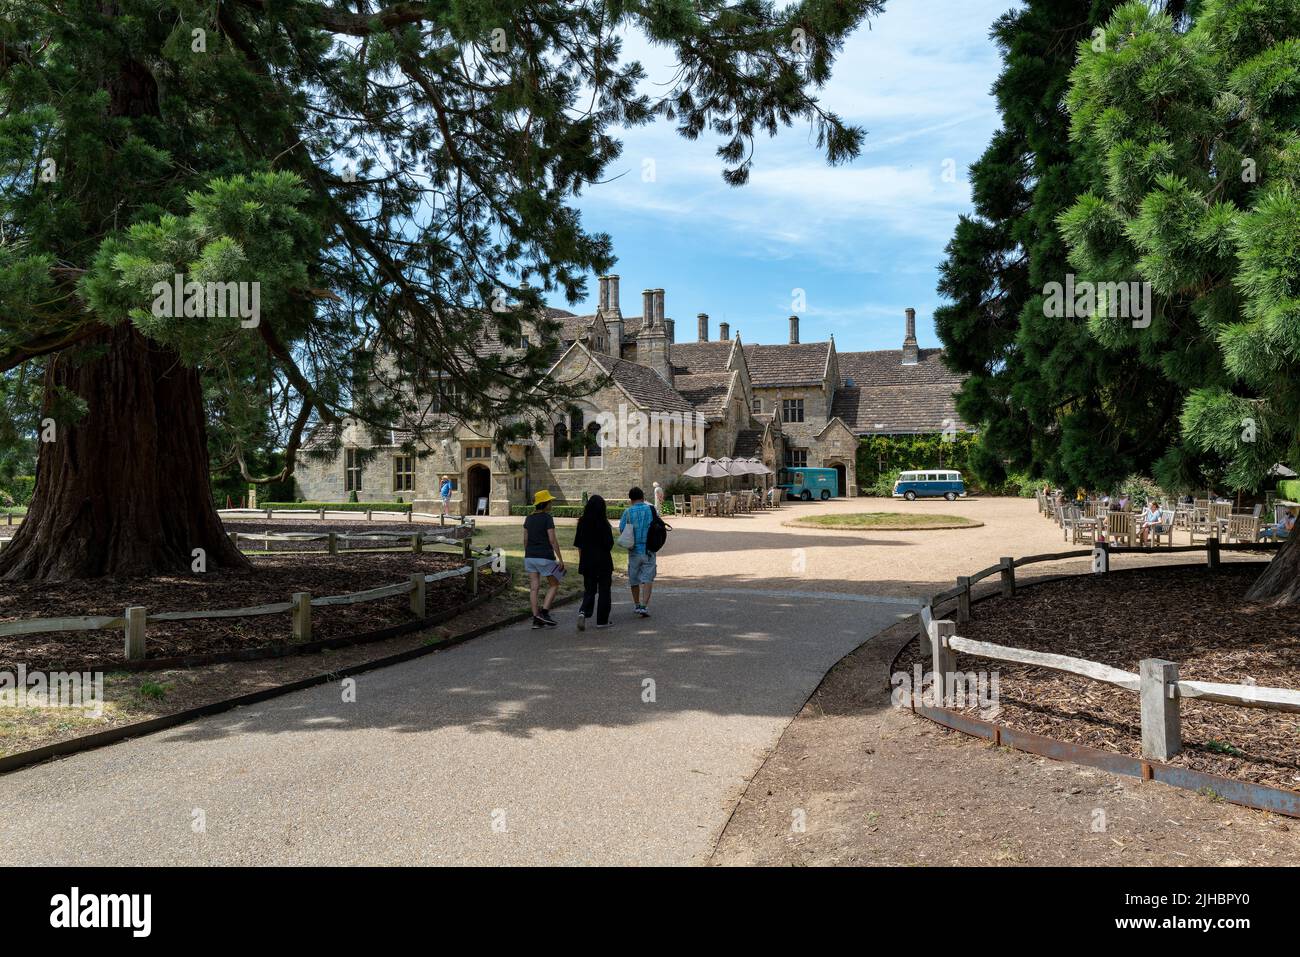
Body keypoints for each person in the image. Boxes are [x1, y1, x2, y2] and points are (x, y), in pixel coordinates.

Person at [523, 490, 565, 628]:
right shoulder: (547, 518)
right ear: (545, 504)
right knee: (554, 584)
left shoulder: (528, 518)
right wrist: (560, 558)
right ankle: (545, 612)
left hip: (530, 557)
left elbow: (525, 540)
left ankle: (536, 618)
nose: (551, 503)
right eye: (550, 501)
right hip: (545, 557)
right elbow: (552, 540)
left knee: (534, 588)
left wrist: (528, 553)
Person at [573, 494, 614, 630]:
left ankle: (583, 611)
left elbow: (579, 544)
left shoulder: (582, 522)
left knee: (589, 590)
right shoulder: (604, 523)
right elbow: (609, 544)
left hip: (587, 561)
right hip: (603, 561)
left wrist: (582, 560)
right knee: (604, 591)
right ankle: (602, 620)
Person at [619, 486, 656, 617]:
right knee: (648, 578)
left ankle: (636, 604)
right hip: (649, 549)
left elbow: (622, 529)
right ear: (643, 497)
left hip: (633, 550)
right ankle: (644, 606)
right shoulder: (651, 510)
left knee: (634, 579)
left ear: (630, 499)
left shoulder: (627, 512)